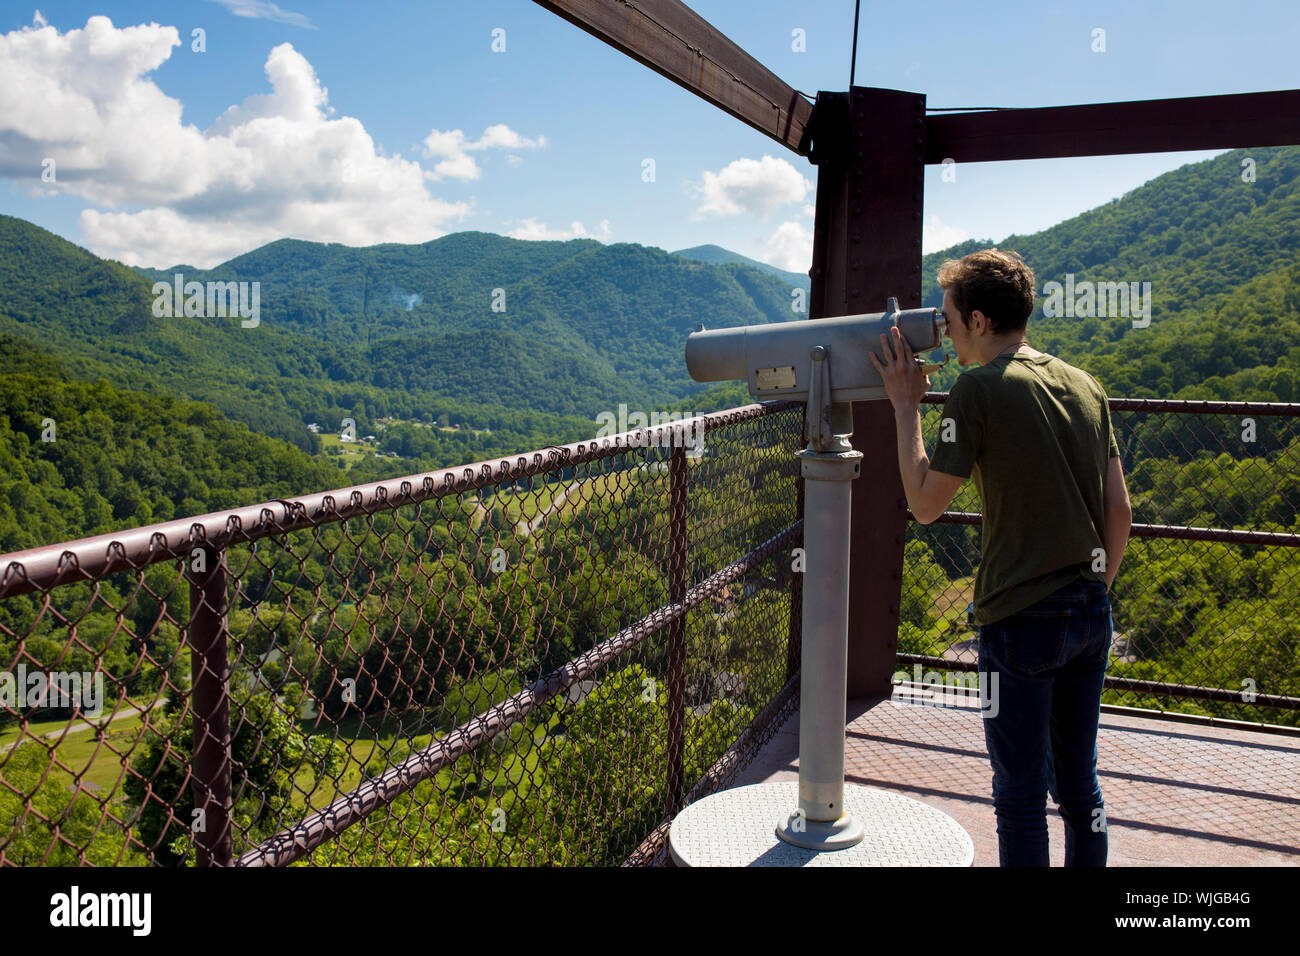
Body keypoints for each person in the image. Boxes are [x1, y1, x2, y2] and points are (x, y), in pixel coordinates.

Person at [869, 248, 1133, 867]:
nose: (948, 334)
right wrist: (1093, 592)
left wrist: (905, 405)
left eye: (952, 321)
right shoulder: (1084, 384)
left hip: (1020, 618)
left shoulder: (977, 389)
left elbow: (927, 503)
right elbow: (1119, 512)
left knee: (1018, 797)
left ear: (981, 321)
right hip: (1091, 610)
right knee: (1078, 785)